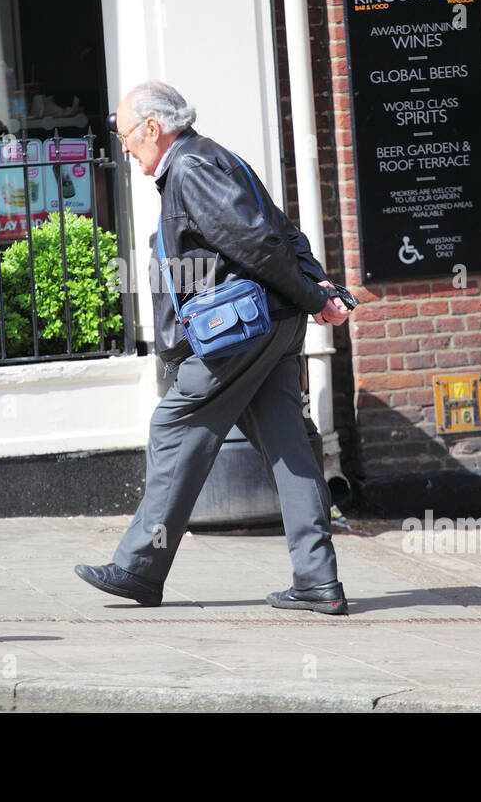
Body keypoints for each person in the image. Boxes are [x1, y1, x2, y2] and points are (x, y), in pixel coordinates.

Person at [74, 81, 354, 614]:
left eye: (126, 134)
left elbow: (257, 243)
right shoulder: (218, 159)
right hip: (271, 325)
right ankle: (318, 582)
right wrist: (316, 291)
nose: (125, 148)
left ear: (153, 127)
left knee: (174, 427)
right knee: (288, 449)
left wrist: (314, 295)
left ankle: (139, 568)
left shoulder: (192, 168)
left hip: (240, 334)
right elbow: (283, 232)